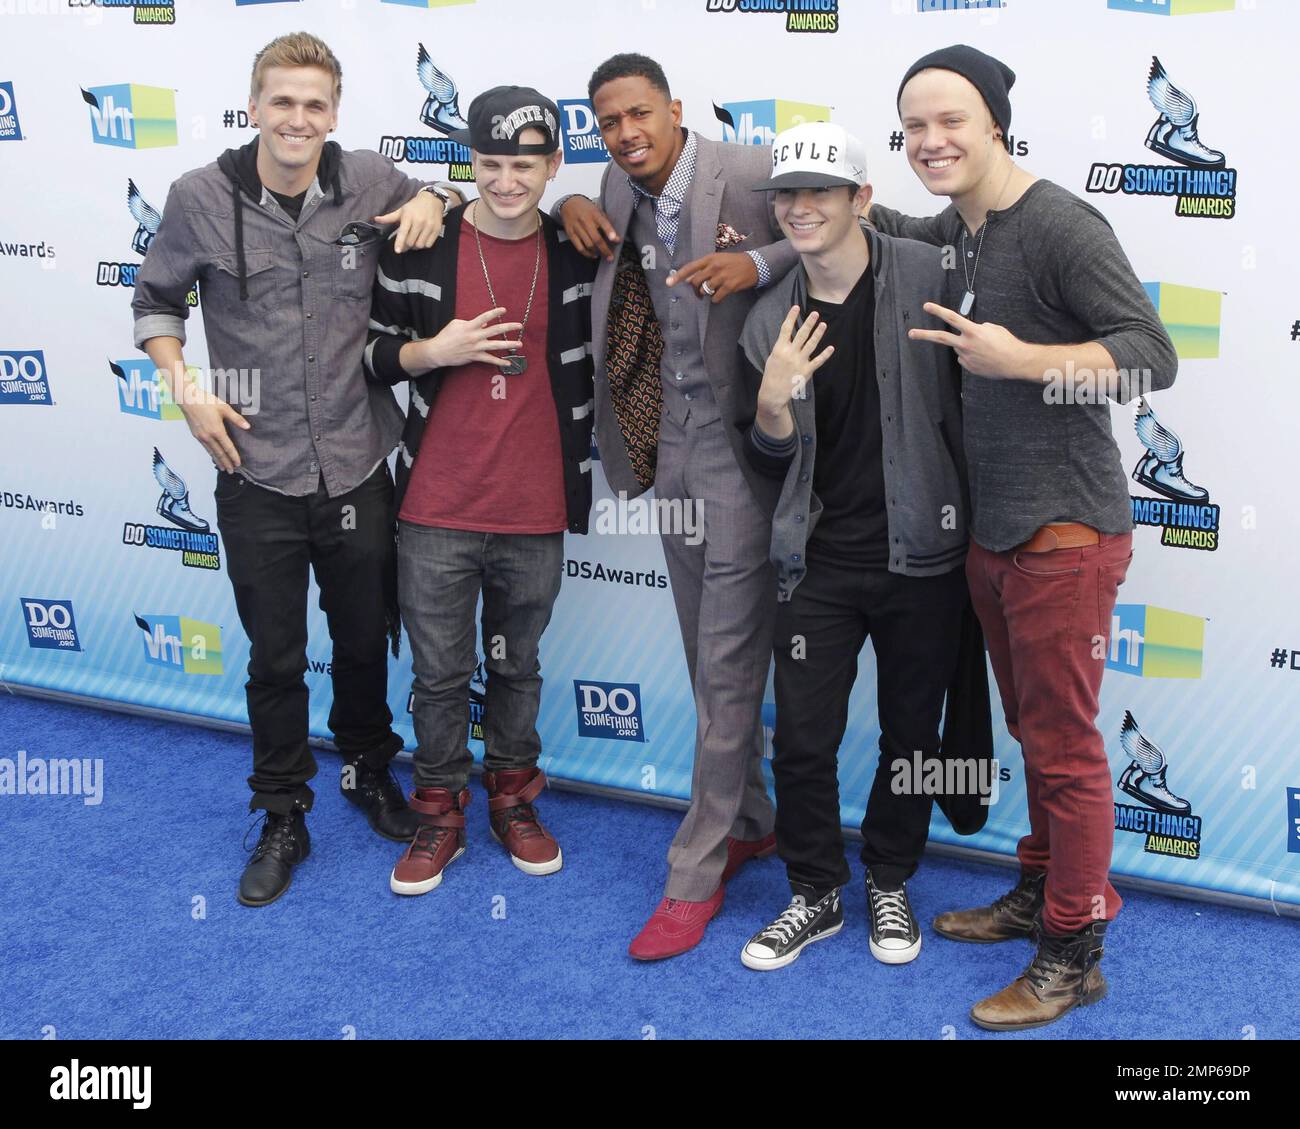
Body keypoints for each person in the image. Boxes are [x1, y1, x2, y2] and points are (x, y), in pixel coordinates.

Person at [871, 44, 1177, 1029]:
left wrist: (1023, 359)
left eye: (950, 120)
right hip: (994, 539)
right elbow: (873, 220)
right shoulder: (954, 231)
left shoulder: (1056, 223)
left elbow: (1150, 359)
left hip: (1063, 536)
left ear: (995, 122)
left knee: (1066, 749)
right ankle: (1042, 890)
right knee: (1037, 740)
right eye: (914, 125)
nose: (930, 140)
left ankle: (1072, 947)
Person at [132, 31, 460, 907]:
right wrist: (186, 390)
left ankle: (365, 770)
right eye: (283, 101)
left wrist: (434, 192)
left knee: (362, 639)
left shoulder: (367, 179)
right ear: (254, 107)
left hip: (356, 462)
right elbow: (156, 301)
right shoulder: (198, 196)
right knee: (275, 656)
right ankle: (282, 810)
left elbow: (454, 186)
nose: (298, 118)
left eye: (315, 104)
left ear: (334, 115)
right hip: (255, 468)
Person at [557, 53, 797, 960]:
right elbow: (551, 222)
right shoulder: (613, 193)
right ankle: (752, 820)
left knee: (730, 665)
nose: (626, 133)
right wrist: (564, 208)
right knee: (708, 656)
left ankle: (694, 870)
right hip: (665, 460)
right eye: (610, 121)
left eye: (640, 114)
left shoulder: (753, 169)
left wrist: (759, 259)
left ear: (676, 110)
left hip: (743, 459)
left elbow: (857, 218)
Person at [736, 122, 985, 971]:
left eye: (821, 192)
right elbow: (766, 460)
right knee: (802, 737)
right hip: (817, 564)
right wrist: (773, 406)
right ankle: (815, 892)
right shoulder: (766, 315)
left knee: (914, 737)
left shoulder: (925, 274)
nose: (800, 208)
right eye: (787, 194)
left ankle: (889, 877)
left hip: (926, 558)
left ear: (861, 201)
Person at [364, 87, 596, 895]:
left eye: (524, 165)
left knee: (517, 665)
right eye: (490, 164)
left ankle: (513, 798)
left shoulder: (576, 246)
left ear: (553, 164)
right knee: (438, 674)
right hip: (433, 504)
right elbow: (366, 354)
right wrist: (435, 350)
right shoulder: (422, 242)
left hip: (535, 509)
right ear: (468, 162)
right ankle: (439, 812)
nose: (506, 181)